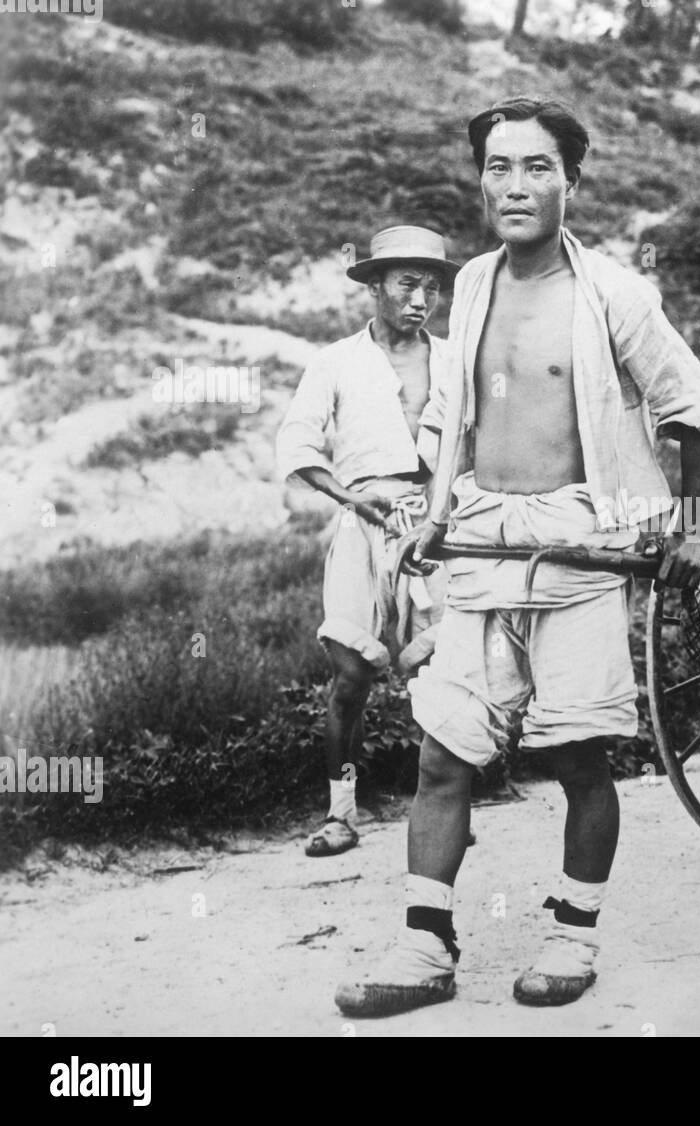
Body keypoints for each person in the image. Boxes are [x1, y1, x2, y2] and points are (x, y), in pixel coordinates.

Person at [333, 97, 700, 1016]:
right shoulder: (467, 286)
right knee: (442, 756)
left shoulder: (617, 297)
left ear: (571, 182)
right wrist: (433, 509)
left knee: (578, 758)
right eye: (499, 167)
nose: (515, 185)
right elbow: (450, 421)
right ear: (480, 180)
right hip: (480, 544)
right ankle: (424, 951)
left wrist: (693, 529)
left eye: (537, 167)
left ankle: (572, 935)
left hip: (582, 546)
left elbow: (694, 412)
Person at [276, 226, 458, 857]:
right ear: (375, 284)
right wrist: (352, 498)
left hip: (436, 526)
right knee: (351, 676)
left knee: (442, 670)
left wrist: (447, 510)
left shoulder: (454, 359)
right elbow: (297, 445)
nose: (421, 299)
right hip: (362, 526)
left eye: (431, 287)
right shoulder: (335, 362)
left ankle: (442, 811)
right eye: (407, 283)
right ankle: (341, 814)